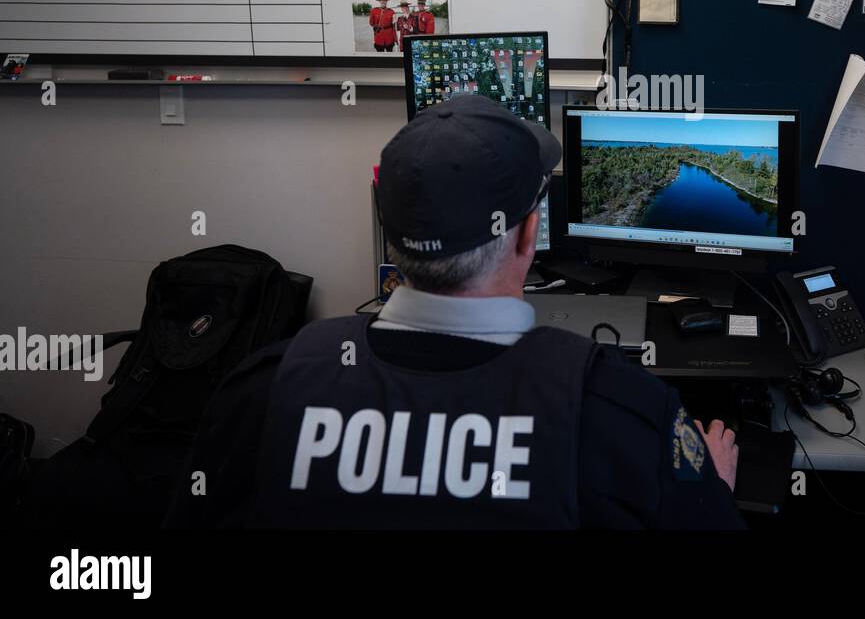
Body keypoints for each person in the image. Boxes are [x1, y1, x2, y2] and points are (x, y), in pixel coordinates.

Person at [166, 94, 742, 529]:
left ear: (392, 236)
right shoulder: (621, 413)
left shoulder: (262, 391)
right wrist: (707, 486)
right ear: (528, 237)